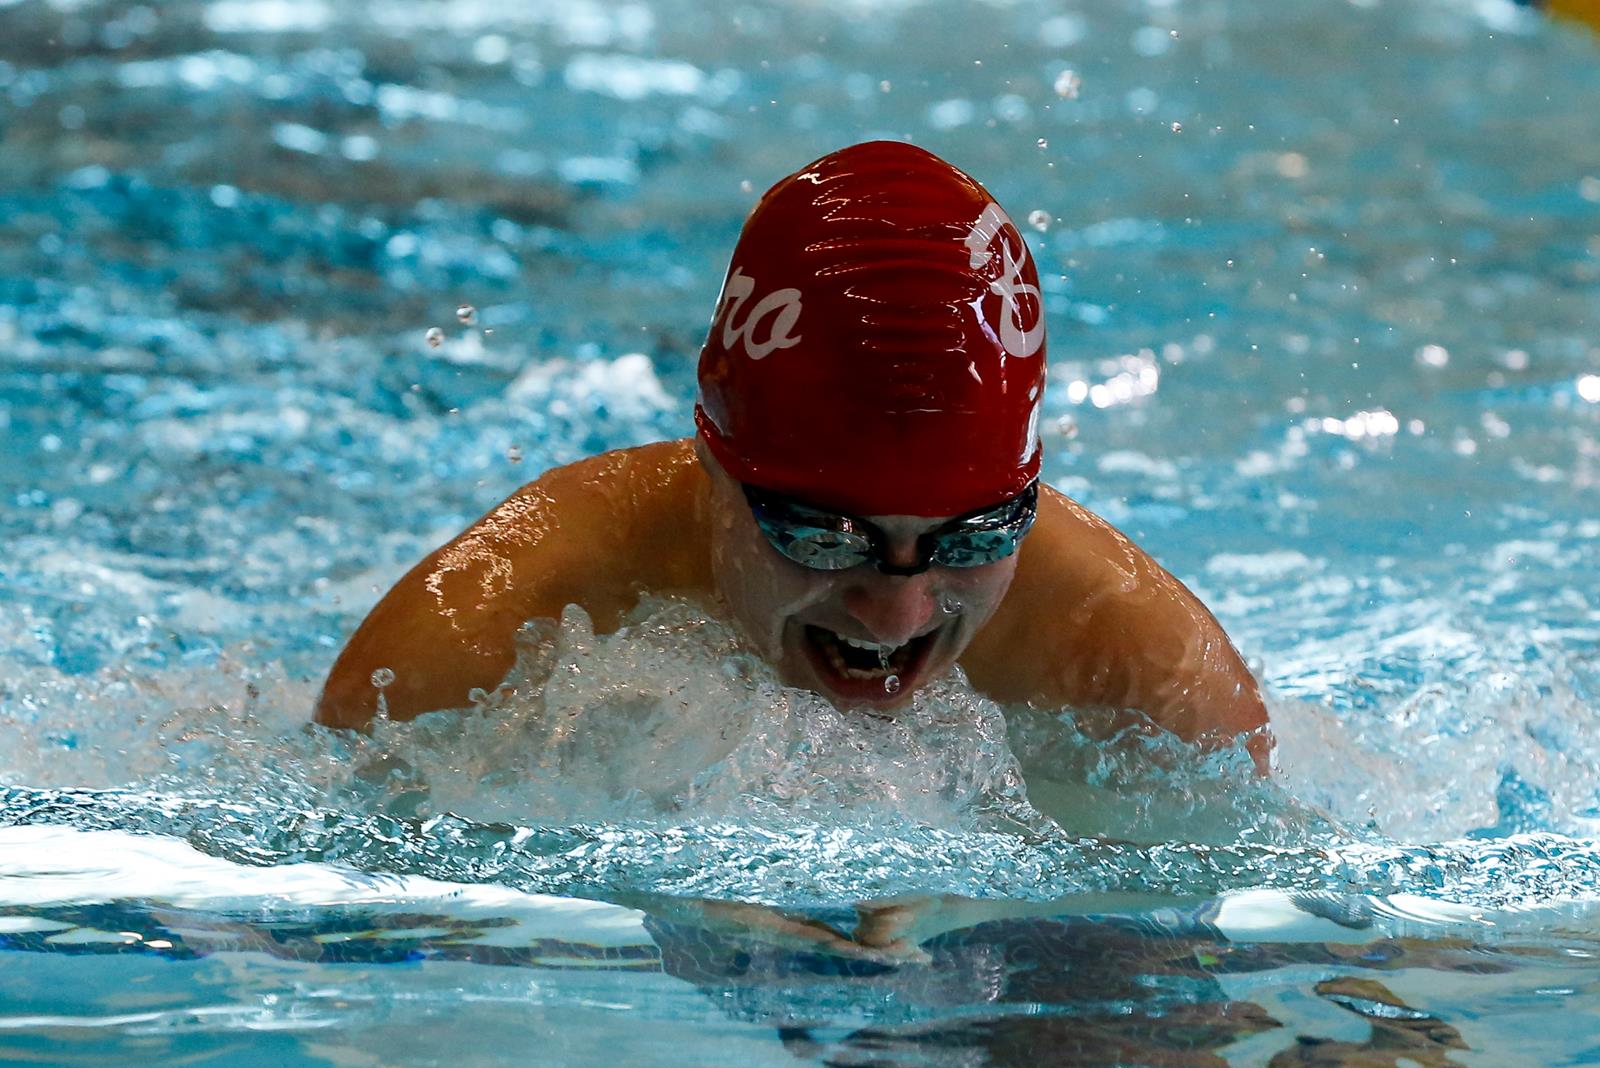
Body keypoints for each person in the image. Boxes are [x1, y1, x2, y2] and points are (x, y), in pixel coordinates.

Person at [315, 141, 1271, 772]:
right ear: (713, 463)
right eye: (823, 535)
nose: (897, 610)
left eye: (972, 534)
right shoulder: (473, 648)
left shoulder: (1147, 683)